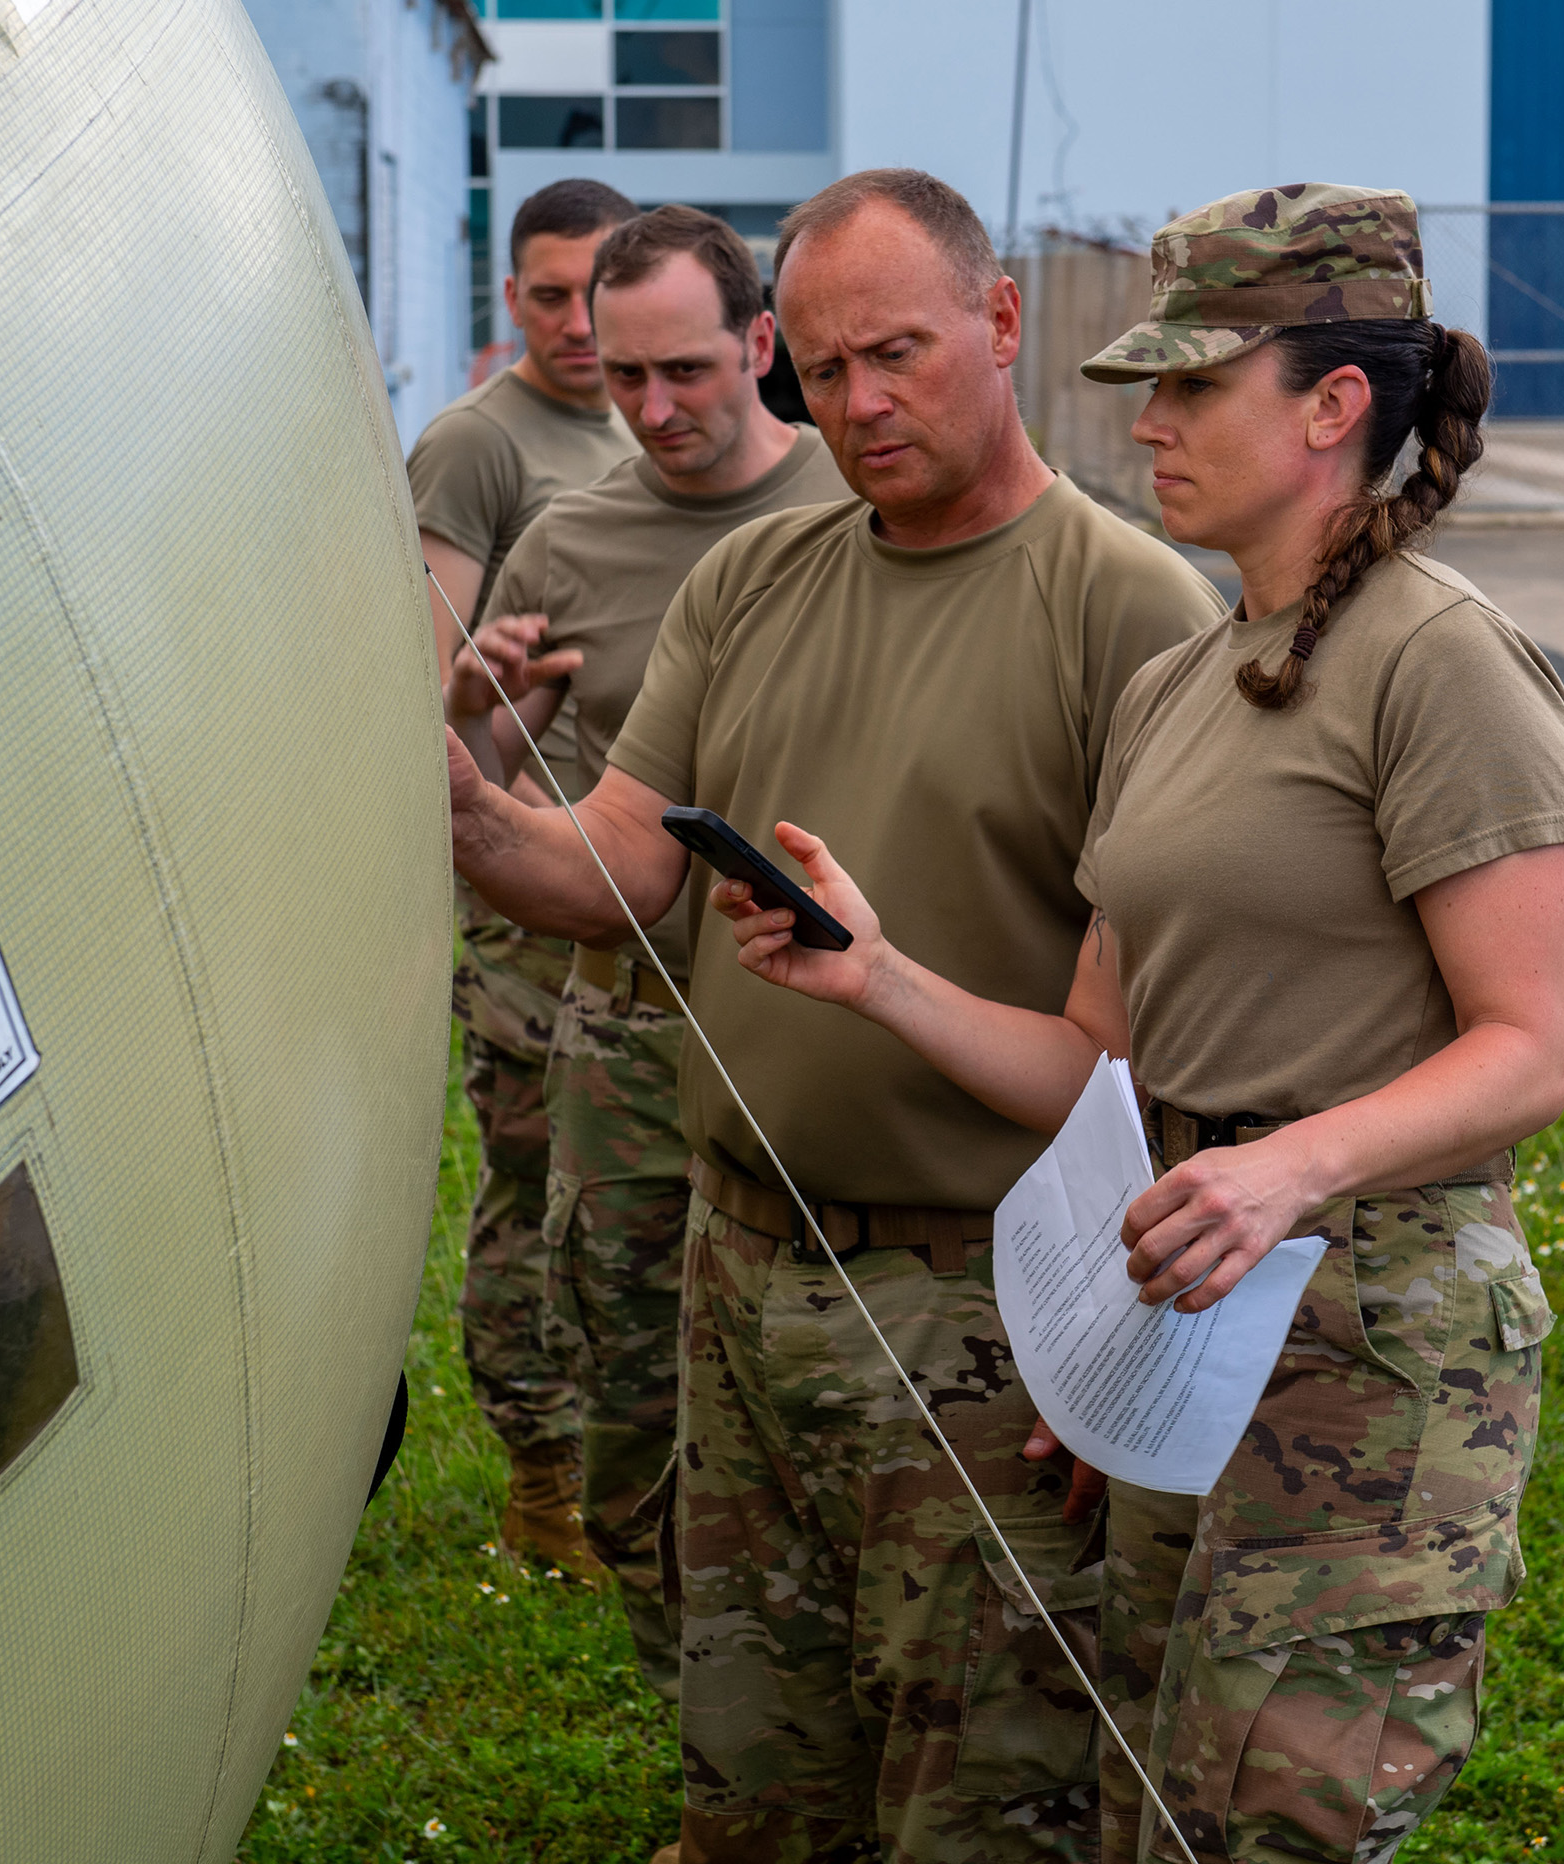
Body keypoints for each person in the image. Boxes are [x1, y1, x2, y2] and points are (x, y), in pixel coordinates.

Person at [716, 185, 1564, 1864]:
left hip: (1367, 1339)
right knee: (1145, 1811)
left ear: (1336, 406)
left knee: (1264, 1823)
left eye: (1198, 386)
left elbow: (1524, 1051)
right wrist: (879, 977)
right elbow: (1095, 1061)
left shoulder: (1445, 666)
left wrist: (1280, 1173)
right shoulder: (1184, 681)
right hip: (1188, 1309)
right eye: (1152, 387)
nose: (1153, 425)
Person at [441, 166, 1224, 1862]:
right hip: (742, 1269)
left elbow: (1172, 1040)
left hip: (983, 1305)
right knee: (755, 1786)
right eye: (821, 365)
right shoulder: (754, 583)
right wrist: (459, 808)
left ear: (1003, 322)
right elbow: (625, 871)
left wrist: (1108, 1348)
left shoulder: (1132, 609)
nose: (858, 404)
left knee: (981, 1797)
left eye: (900, 354)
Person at [449, 204, 854, 1702]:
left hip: (819, 1027)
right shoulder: (572, 538)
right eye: (625, 380)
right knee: (630, 1388)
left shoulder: (851, 504)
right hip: (625, 1029)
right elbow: (500, 775)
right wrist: (480, 713)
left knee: (827, 1400)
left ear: (761, 344)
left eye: (688, 369)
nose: (659, 411)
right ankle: (712, 1744)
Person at [405, 176, 640, 1571]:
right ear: (512, 300)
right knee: (535, 1183)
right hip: (527, 879)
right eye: (544, 294)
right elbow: (427, 683)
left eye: (592, 292)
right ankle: (542, 1469)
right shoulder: (478, 447)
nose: (570, 320)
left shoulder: (656, 420)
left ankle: (637, 1454)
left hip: (648, 867)